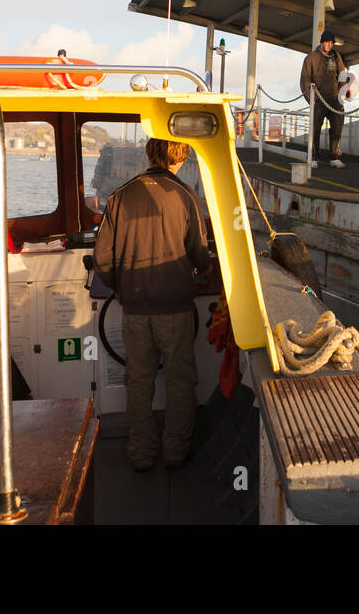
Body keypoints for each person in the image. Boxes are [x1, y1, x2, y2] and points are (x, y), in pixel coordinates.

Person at [93, 137, 210, 471]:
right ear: (183, 156)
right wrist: (206, 269)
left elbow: (102, 258)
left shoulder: (120, 196)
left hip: (134, 310)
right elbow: (199, 255)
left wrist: (122, 288)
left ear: (148, 153)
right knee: (180, 381)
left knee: (139, 382)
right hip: (175, 308)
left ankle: (141, 454)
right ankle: (175, 451)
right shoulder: (186, 196)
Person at [299, 29, 348, 169]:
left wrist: (342, 93)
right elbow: (305, 80)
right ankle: (314, 157)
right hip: (318, 100)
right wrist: (311, 99)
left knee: (337, 127)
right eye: (327, 42)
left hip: (334, 99)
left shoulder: (336, 56)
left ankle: (334, 157)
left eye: (331, 43)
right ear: (321, 42)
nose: (329, 45)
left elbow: (342, 74)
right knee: (315, 129)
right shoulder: (310, 58)